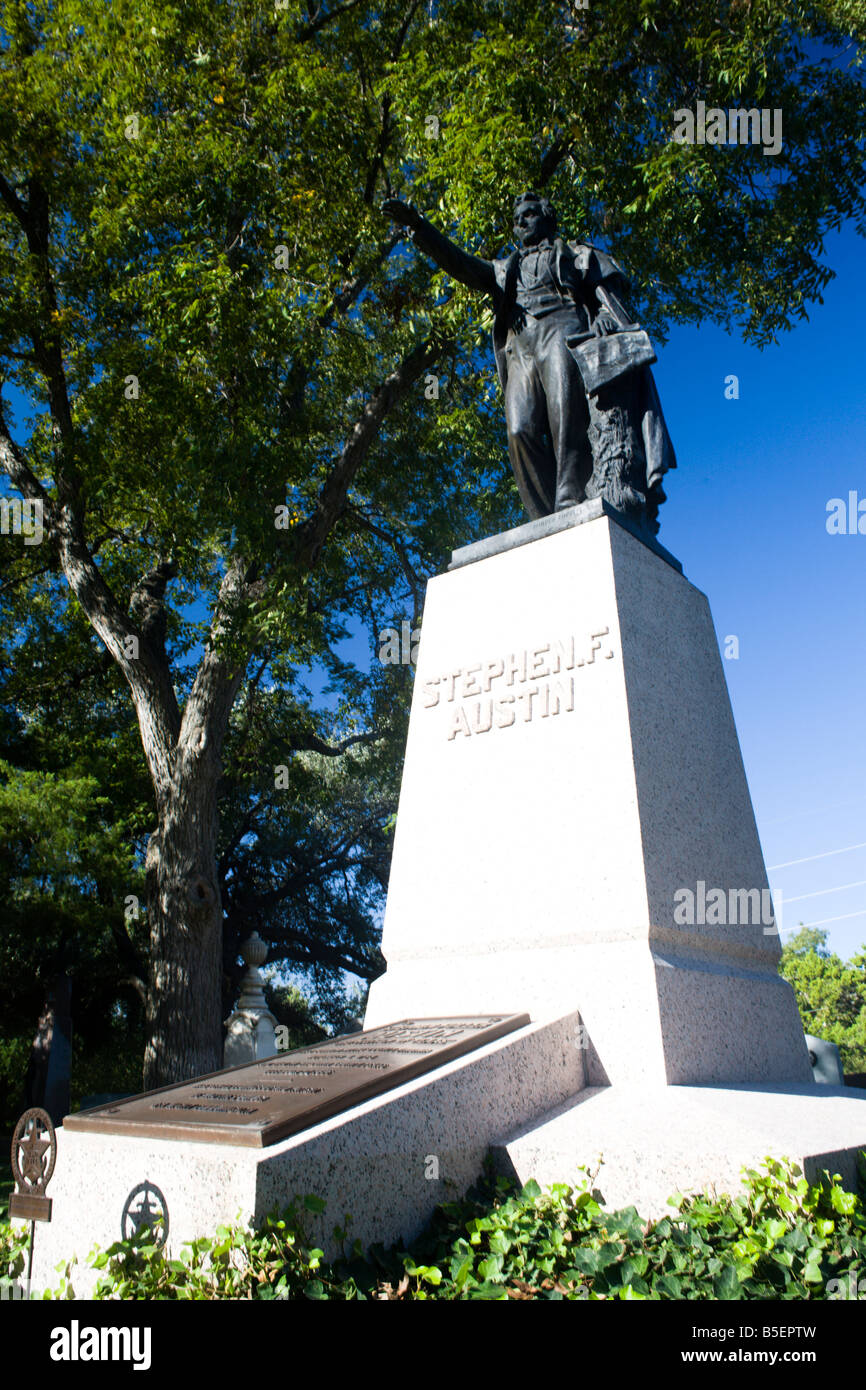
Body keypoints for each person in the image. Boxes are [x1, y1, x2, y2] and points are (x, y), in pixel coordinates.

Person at [382, 191, 676, 534]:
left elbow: (608, 302)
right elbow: (461, 264)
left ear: (547, 218)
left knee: (564, 415)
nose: (520, 221)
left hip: (563, 330)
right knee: (519, 429)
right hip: (520, 345)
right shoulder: (506, 268)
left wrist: (605, 321)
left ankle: (568, 502)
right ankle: (545, 518)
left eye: (529, 214)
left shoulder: (577, 254)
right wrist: (419, 227)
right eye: (516, 218)